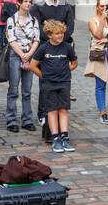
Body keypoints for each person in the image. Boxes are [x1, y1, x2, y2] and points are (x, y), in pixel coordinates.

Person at [30, 18, 76, 153]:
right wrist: (44, 76)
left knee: (63, 110)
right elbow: (33, 65)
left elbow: (74, 63)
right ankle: (55, 138)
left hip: (64, 83)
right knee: (52, 110)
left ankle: (64, 136)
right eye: (57, 33)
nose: (60, 36)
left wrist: (66, 71)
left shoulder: (67, 47)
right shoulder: (43, 48)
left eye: (61, 33)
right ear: (50, 35)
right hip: (48, 84)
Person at [4, 0, 39, 132]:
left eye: (29, 1)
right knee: (13, 89)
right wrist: (22, 55)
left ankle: (27, 119)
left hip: (29, 55)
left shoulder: (34, 20)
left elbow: (36, 39)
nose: (28, 4)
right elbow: (11, 40)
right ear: (18, 3)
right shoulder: (11, 20)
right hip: (15, 55)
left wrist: (28, 55)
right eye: (25, 1)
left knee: (27, 90)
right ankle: (11, 120)